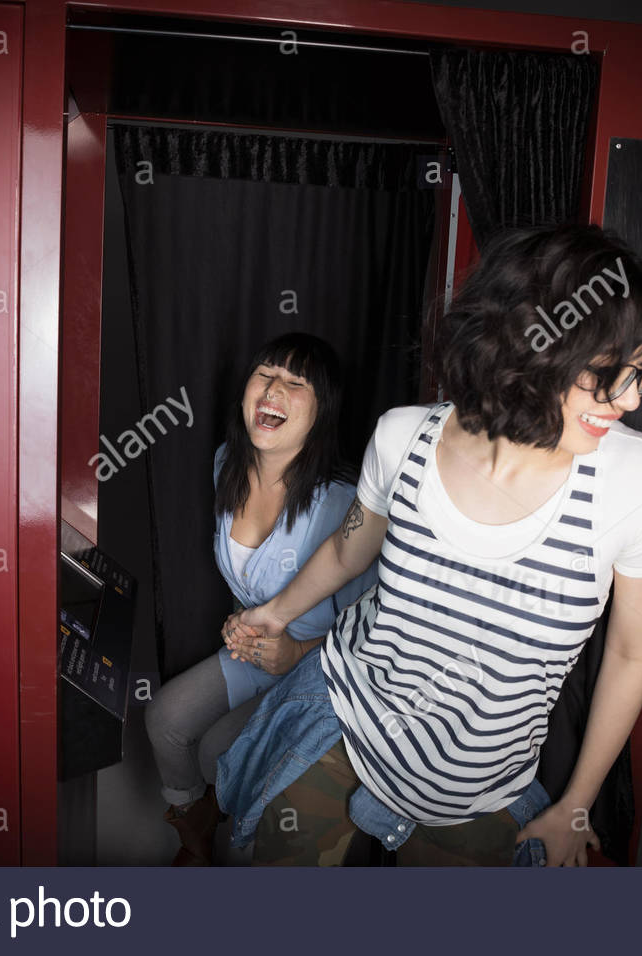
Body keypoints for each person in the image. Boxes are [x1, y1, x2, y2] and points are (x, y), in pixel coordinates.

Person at [218, 223, 642, 867]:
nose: (630, 400)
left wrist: (577, 802)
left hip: (482, 786)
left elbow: (633, 653)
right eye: (608, 373)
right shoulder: (403, 437)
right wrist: (271, 613)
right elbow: (349, 549)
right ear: (527, 343)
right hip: (344, 717)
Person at [144, 332, 379, 866]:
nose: (274, 388)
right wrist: (239, 621)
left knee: (213, 755)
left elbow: (371, 628)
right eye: (266, 374)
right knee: (163, 720)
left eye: (296, 383)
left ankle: (226, 836)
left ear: (321, 412)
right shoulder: (227, 462)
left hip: (318, 670)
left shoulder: (343, 506)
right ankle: (194, 830)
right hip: (255, 652)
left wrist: (296, 654)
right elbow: (246, 580)